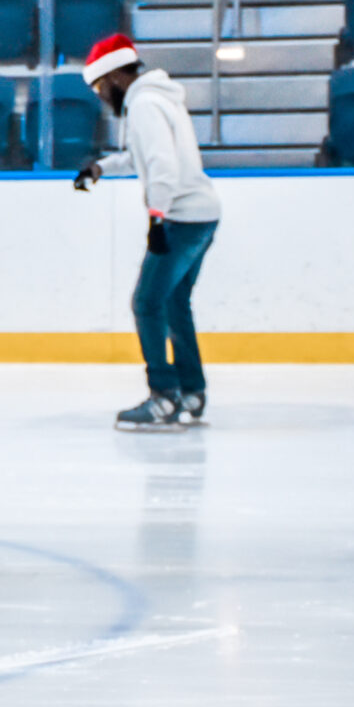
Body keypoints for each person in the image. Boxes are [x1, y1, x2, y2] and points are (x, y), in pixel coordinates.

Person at [72, 33, 221, 432]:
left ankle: (163, 395)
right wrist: (100, 167)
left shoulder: (144, 105)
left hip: (181, 218)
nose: (101, 96)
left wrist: (157, 218)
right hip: (202, 213)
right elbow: (142, 158)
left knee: (146, 303)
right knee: (173, 303)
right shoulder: (158, 98)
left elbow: (162, 165)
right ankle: (192, 391)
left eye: (100, 87)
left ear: (114, 77)